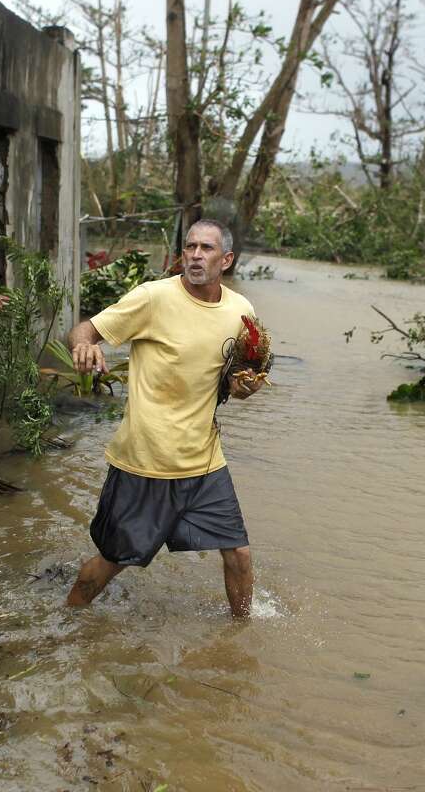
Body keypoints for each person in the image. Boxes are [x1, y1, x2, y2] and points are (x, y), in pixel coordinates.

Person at [65, 219, 266, 617]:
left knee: (239, 554)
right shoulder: (152, 298)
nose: (195, 255)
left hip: (204, 461)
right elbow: (86, 329)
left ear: (226, 260)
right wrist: (83, 346)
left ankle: (241, 634)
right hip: (146, 460)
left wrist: (245, 385)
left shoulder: (241, 311)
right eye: (190, 246)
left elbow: (241, 374)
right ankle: (68, 618)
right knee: (114, 560)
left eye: (206, 248)